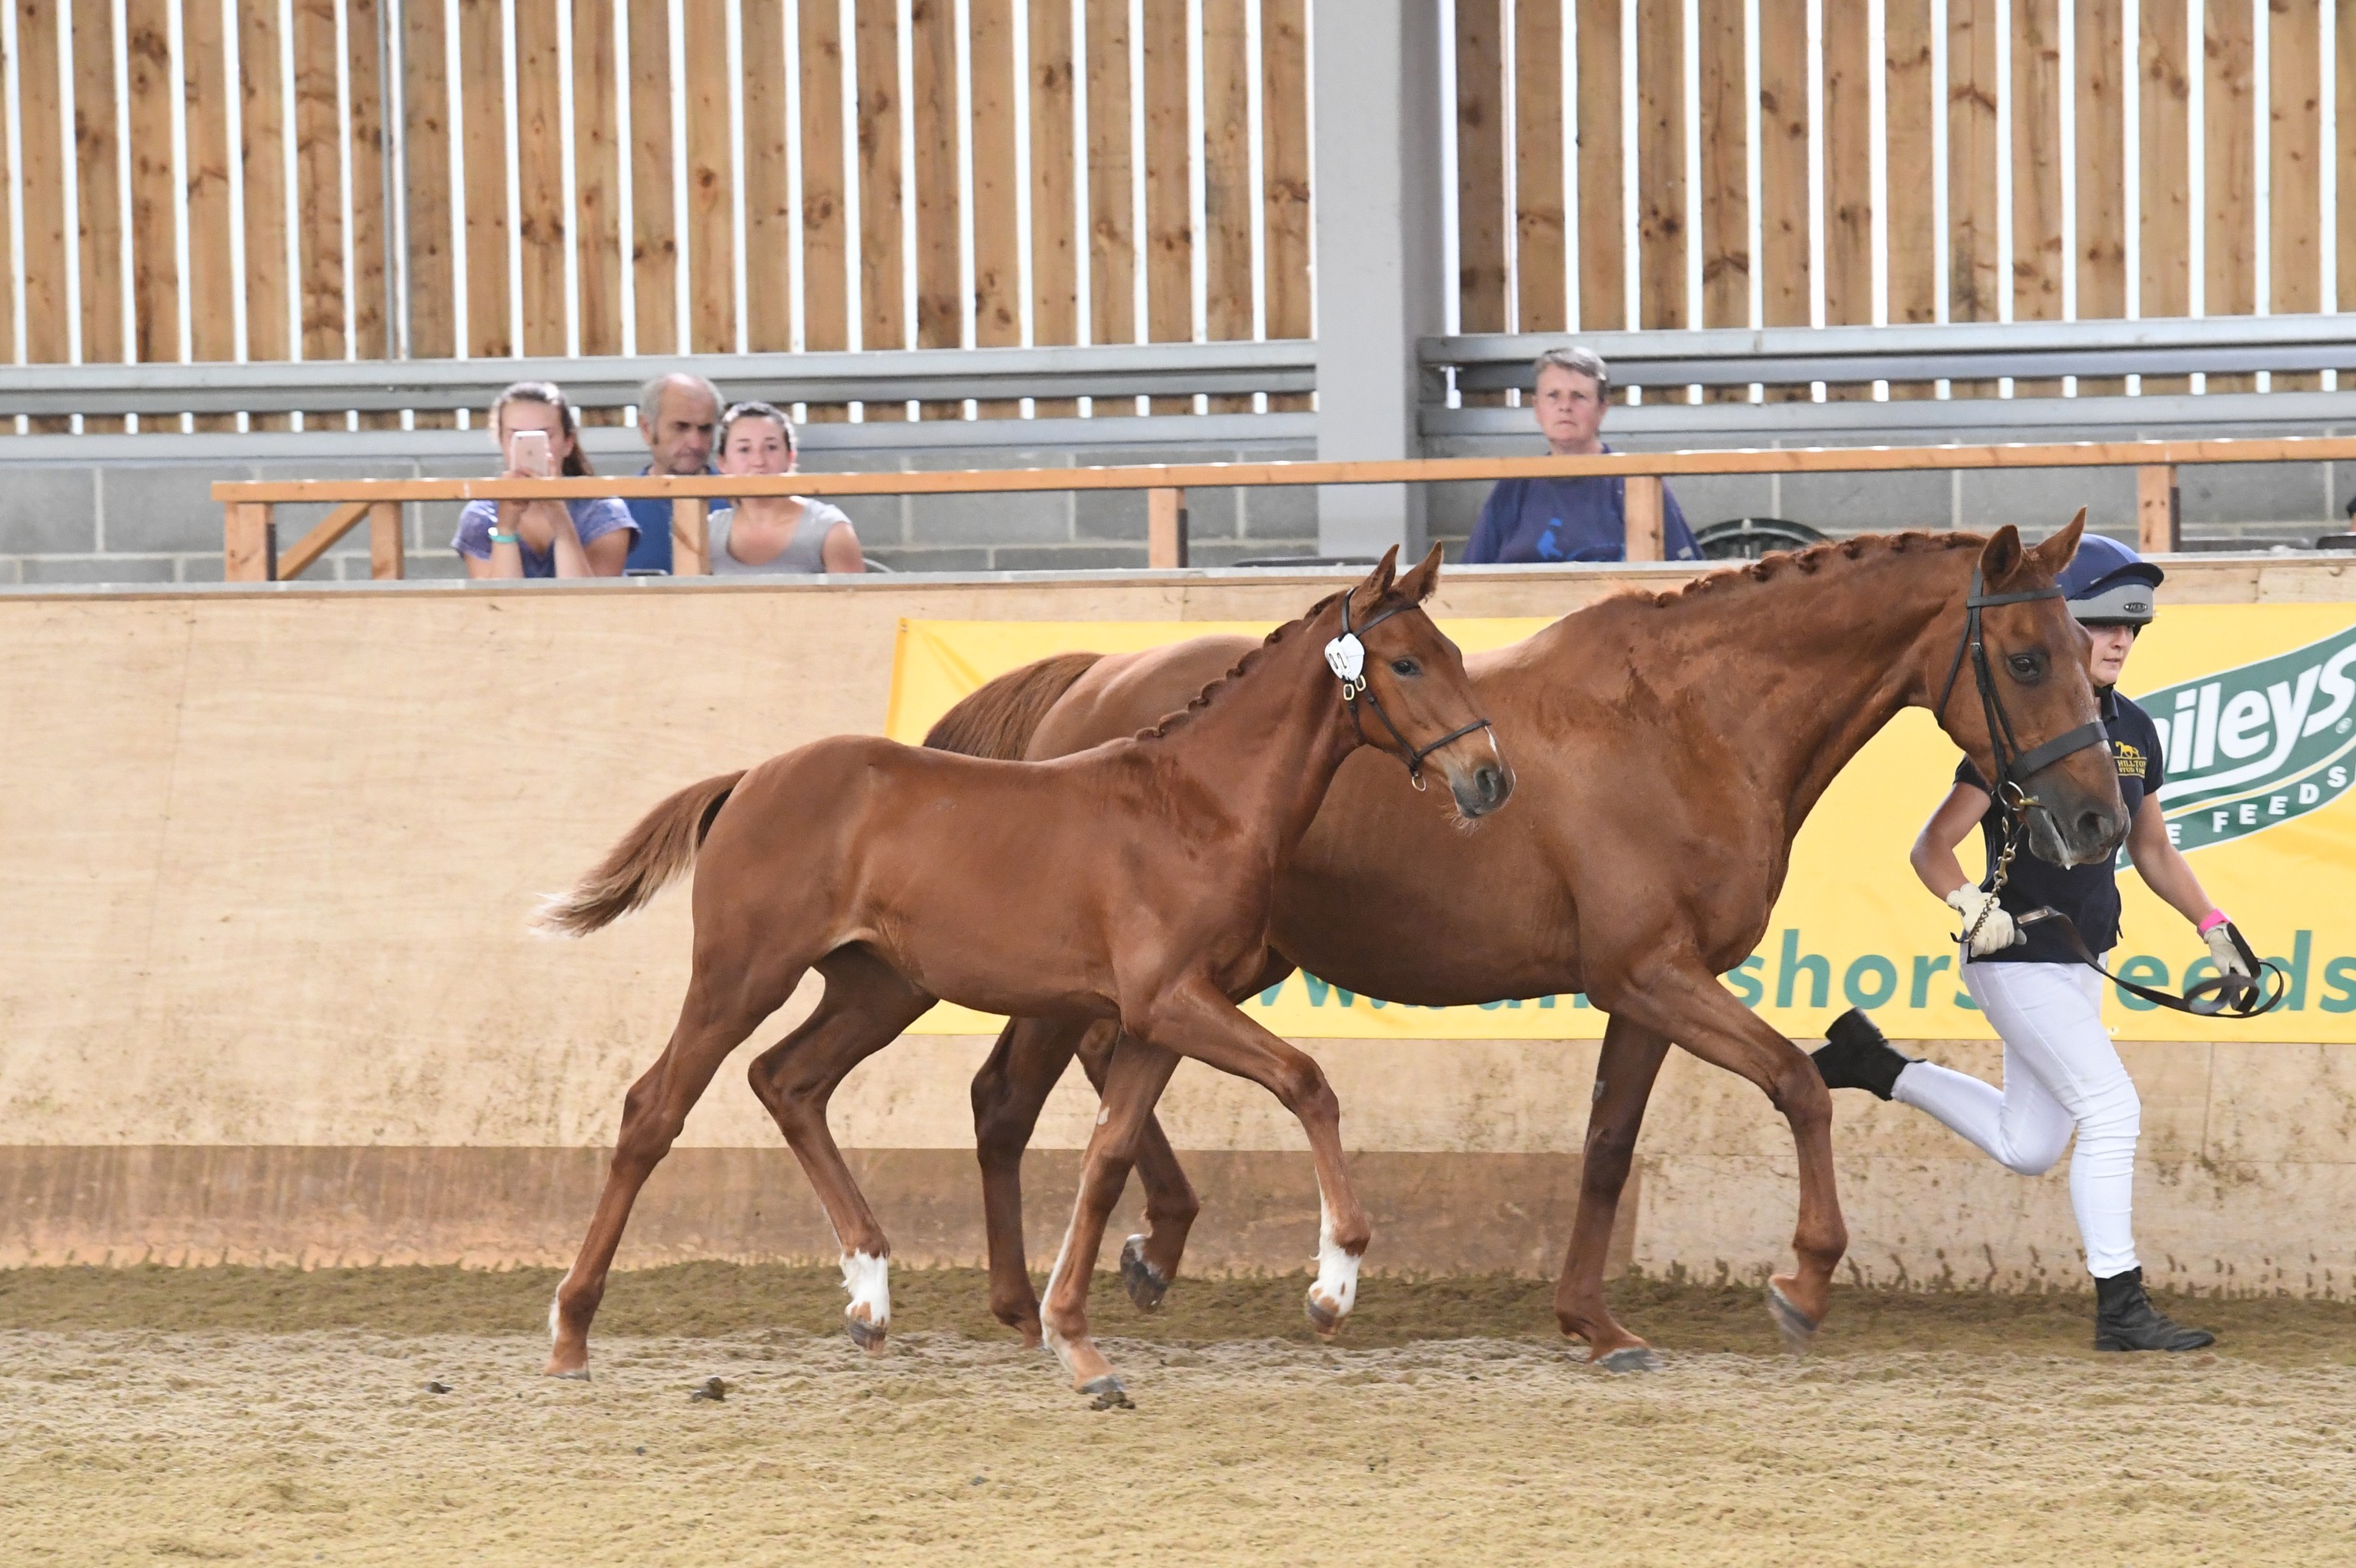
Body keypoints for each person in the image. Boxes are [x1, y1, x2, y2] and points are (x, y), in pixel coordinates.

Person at [1812, 534, 2250, 1353]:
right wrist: (1969, 904)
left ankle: (1876, 1066)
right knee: (2112, 1110)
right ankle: (2120, 1307)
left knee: (2029, 1144)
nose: (2119, 641)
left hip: (2083, 957)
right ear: (2061, 625)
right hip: (2013, 957)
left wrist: (2213, 927)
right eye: (2103, 624)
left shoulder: (2135, 730)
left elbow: (2152, 848)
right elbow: (1931, 848)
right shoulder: (2019, 724)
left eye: (2132, 628)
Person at [1463, 346, 1701, 565]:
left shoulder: (1637, 484)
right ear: (1537, 408)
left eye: (1579, 396)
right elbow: (1470, 576)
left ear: (1602, 408)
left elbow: (1687, 577)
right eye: (1553, 395)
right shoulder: (1513, 487)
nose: (1565, 406)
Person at [452, 381, 636, 579]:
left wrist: (560, 519)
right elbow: (501, 597)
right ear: (502, 442)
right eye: (516, 437)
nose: (531, 449)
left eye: (544, 436)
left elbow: (586, 596)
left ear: (568, 442)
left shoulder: (604, 512)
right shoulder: (481, 516)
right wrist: (505, 528)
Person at [706, 402, 866, 574]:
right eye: (744, 449)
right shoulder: (708, 531)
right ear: (722, 463)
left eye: (771, 447)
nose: (759, 461)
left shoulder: (829, 527)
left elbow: (854, 591)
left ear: (790, 457)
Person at [623, 372, 724, 574]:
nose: (695, 443)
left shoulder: (737, 502)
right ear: (646, 428)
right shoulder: (618, 514)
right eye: (681, 427)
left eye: (705, 429)